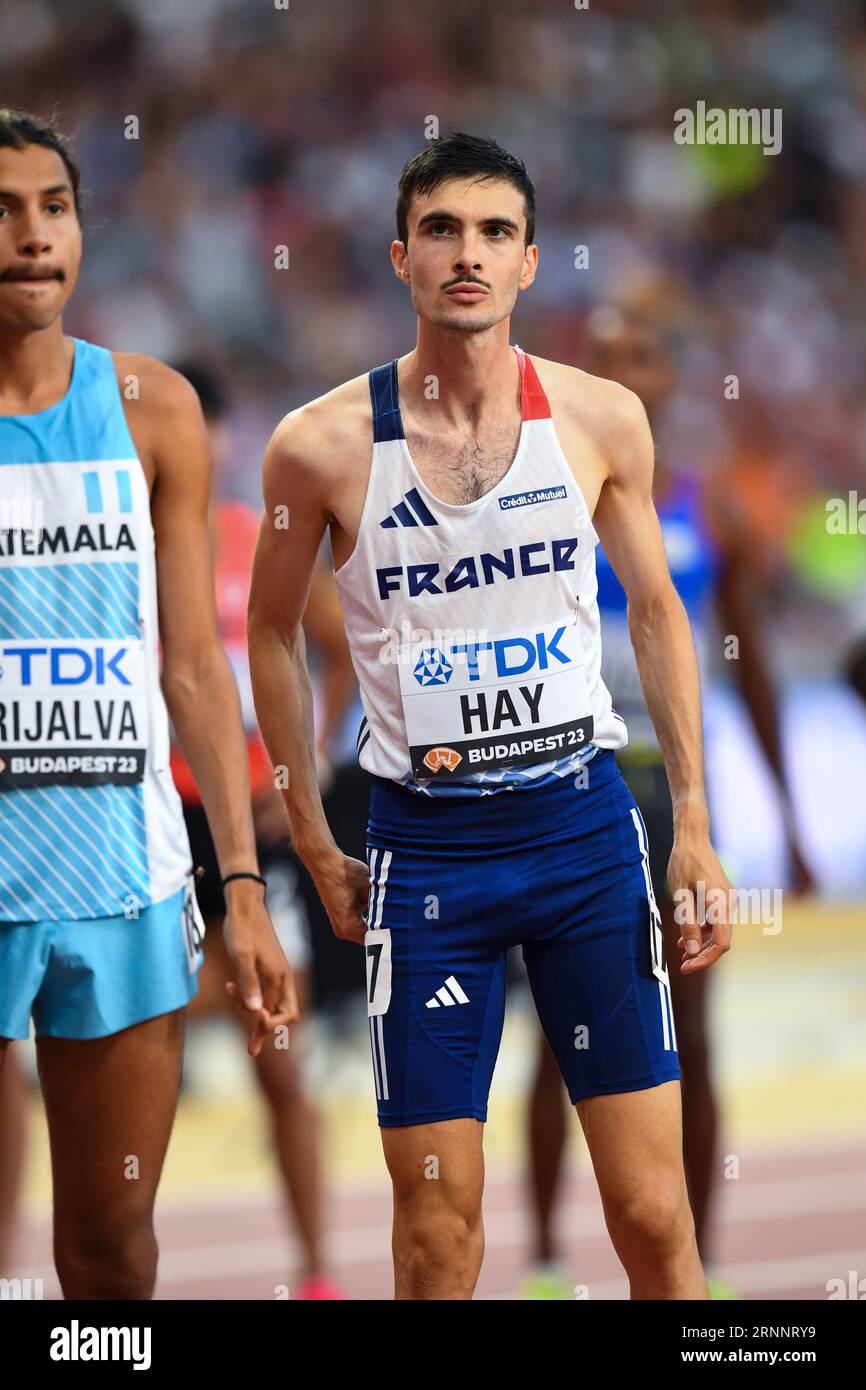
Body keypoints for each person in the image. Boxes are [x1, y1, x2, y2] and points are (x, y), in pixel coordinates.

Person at [248, 131, 732, 1300]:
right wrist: (309, 833)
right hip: (425, 856)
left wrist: (695, 824)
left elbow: (662, 617)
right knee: (433, 1232)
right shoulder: (315, 447)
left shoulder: (599, 419)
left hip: (580, 832)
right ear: (400, 255)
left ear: (526, 263)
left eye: (495, 232)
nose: (468, 254)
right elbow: (267, 633)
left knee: (653, 1213)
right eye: (442, 231)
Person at [0, 109, 296, 1300]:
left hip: (121, 878)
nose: (30, 236)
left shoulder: (152, 408)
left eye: (53, 208)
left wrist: (240, 888)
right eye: (2, 211)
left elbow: (191, 668)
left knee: (112, 1247)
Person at [521, 311, 813, 1300]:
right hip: (561, 778)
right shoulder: (534, 491)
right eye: (604, 362)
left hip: (664, 788)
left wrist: (790, 819)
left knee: (688, 1023)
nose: (622, 376)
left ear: (671, 379)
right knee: (557, 1031)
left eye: (640, 360)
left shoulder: (711, 512)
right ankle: (551, 1265)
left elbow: (756, 669)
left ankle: (702, 1262)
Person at [169, 361, 352, 1300]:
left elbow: (338, 647)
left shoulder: (256, 539)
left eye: (203, 426)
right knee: (141, 1070)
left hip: (255, 825)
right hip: (160, 821)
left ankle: (318, 1272)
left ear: (223, 439)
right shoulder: (126, 553)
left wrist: (306, 767)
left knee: (280, 1061)